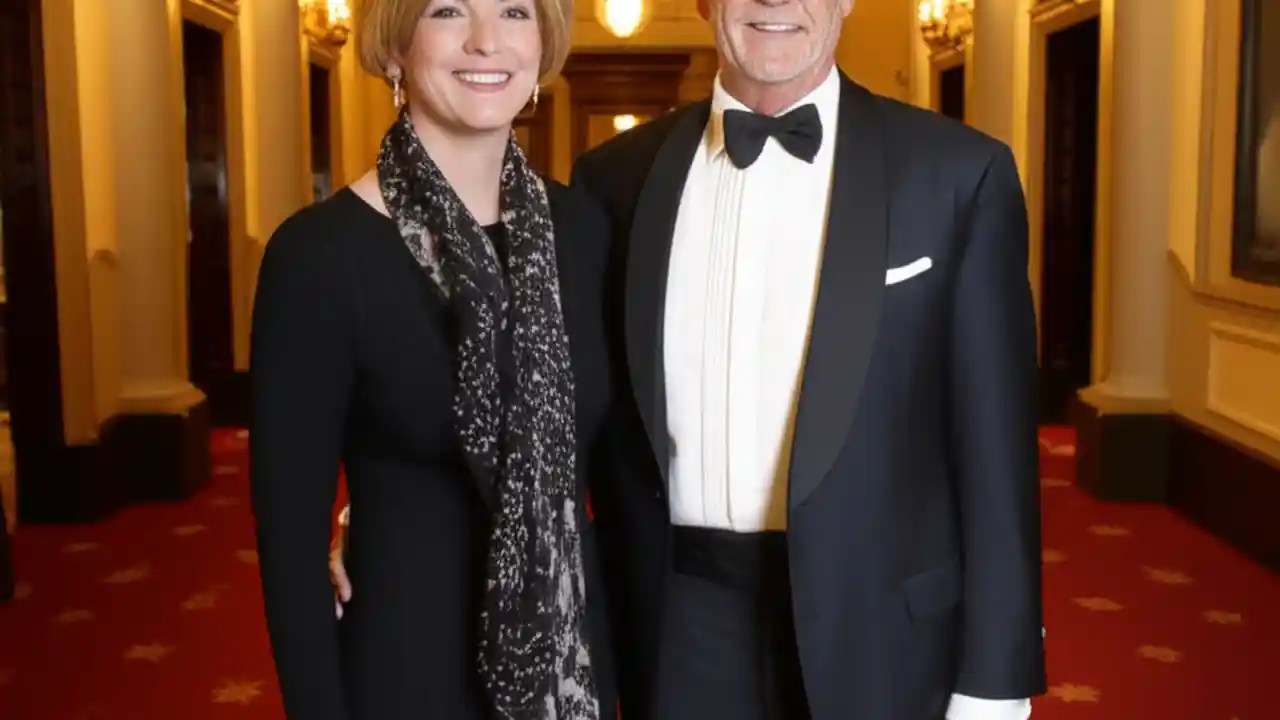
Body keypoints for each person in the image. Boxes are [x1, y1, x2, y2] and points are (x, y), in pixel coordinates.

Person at [568, 0, 1049, 717]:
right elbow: (578, 412)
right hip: (675, 626)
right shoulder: (612, 182)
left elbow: (997, 451)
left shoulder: (959, 174)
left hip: (879, 626)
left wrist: (995, 678)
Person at [249, 0, 616, 717]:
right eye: (449, 10)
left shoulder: (583, 232)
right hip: (403, 671)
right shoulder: (319, 256)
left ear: (541, 44)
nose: (486, 41)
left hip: (569, 673)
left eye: (514, 10)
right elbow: (290, 553)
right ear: (395, 48)